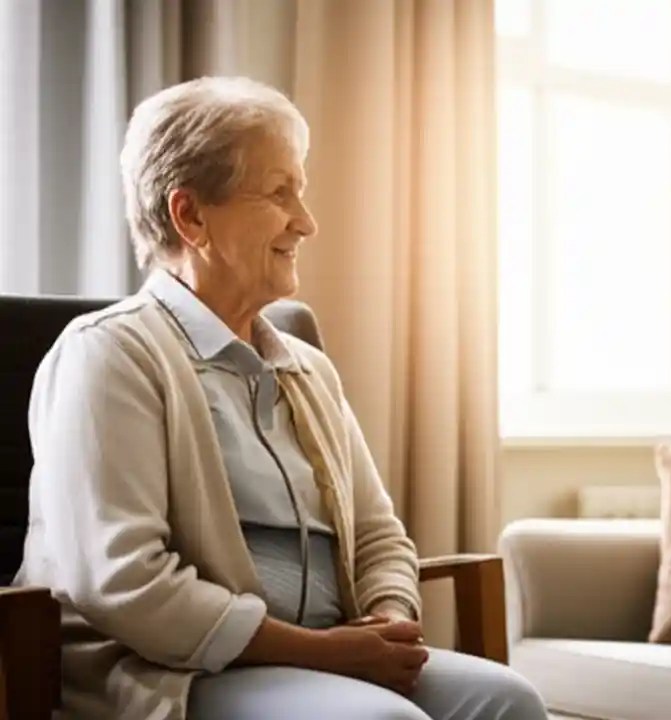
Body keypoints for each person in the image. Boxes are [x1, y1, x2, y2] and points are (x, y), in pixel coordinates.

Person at [16, 76, 547, 720]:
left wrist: (386, 625)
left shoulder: (306, 369)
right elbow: (124, 581)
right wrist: (329, 654)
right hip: (170, 671)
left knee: (508, 700)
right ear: (190, 216)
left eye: (301, 190)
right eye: (279, 193)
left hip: (328, 657)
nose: (307, 221)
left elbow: (380, 537)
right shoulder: (110, 355)